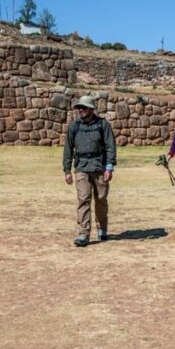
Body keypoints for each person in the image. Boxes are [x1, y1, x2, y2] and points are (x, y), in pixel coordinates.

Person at [62, 96, 117, 247]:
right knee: (83, 199)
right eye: (79, 107)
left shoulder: (103, 125)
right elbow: (68, 149)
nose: (81, 110)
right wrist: (67, 170)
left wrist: (109, 167)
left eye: (84, 108)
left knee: (101, 199)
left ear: (92, 109)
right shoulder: (74, 126)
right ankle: (83, 233)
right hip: (81, 167)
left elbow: (110, 147)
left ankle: (102, 228)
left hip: (99, 167)